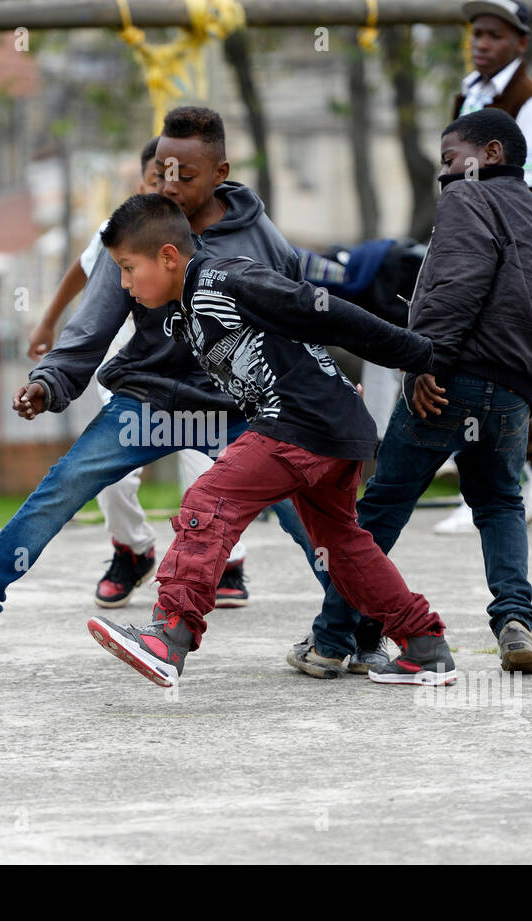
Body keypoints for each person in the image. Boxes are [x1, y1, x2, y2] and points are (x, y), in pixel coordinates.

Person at [0, 107, 331, 659]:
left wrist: (301, 405)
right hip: (151, 396)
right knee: (63, 484)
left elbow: (296, 323)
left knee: (305, 511)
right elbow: (92, 325)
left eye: (186, 173)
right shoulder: (139, 229)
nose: (171, 183)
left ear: (220, 173)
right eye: (161, 170)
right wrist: (49, 380)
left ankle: (352, 626)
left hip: (234, 405)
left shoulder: (259, 239)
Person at [85, 192, 450, 688]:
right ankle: (423, 644)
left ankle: (169, 635)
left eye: (128, 269)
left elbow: (322, 312)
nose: (125, 285)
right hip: (329, 428)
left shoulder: (226, 278)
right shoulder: (184, 312)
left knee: (209, 500)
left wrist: (418, 354)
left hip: (302, 424)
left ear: (168, 257)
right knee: (342, 545)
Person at [299, 109, 532, 678]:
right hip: (512, 392)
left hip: (445, 380)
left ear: (493, 154)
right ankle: (514, 621)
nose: (445, 174)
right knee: (501, 502)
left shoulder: (467, 197)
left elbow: (458, 280)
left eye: (451, 159)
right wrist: (519, 356)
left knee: (381, 506)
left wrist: (424, 360)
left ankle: (332, 640)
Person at [26, 138, 251, 610]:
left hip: (206, 376)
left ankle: (225, 560)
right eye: (155, 180)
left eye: (174, 181)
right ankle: (132, 551)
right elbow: (82, 269)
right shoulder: (125, 227)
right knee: (110, 474)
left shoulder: (210, 234)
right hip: (136, 369)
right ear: (142, 182)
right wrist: (47, 322)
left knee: (213, 470)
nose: (164, 189)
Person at [433, 0, 532, 535]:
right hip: (473, 237)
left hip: (509, 252)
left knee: (482, 361)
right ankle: (512, 473)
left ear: (521, 42)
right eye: (477, 32)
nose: (482, 42)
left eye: (496, 35)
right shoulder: (472, 90)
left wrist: (524, 263)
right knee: (458, 354)